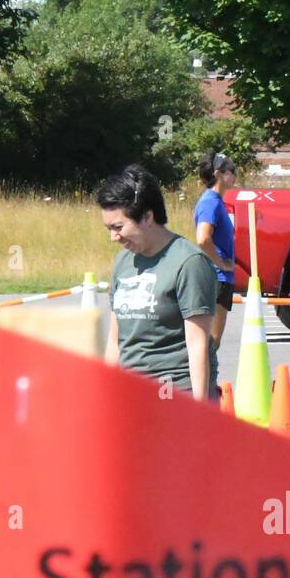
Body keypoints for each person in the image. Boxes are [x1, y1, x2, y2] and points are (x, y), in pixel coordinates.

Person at [97, 164, 219, 399]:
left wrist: (199, 412)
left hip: (175, 395)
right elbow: (115, 340)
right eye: (109, 229)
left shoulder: (189, 262)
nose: (113, 237)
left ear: (147, 217)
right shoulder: (123, 261)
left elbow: (197, 344)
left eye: (118, 227)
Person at [193, 152, 237, 361]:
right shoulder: (210, 202)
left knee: (212, 341)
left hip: (221, 277)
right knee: (211, 339)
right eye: (232, 171)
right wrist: (221, 263)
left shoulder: (216, 201)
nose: (235, 176)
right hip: (216, 278)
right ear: (219, 174)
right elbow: (203, 239)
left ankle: (202, 386)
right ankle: (198, 387)